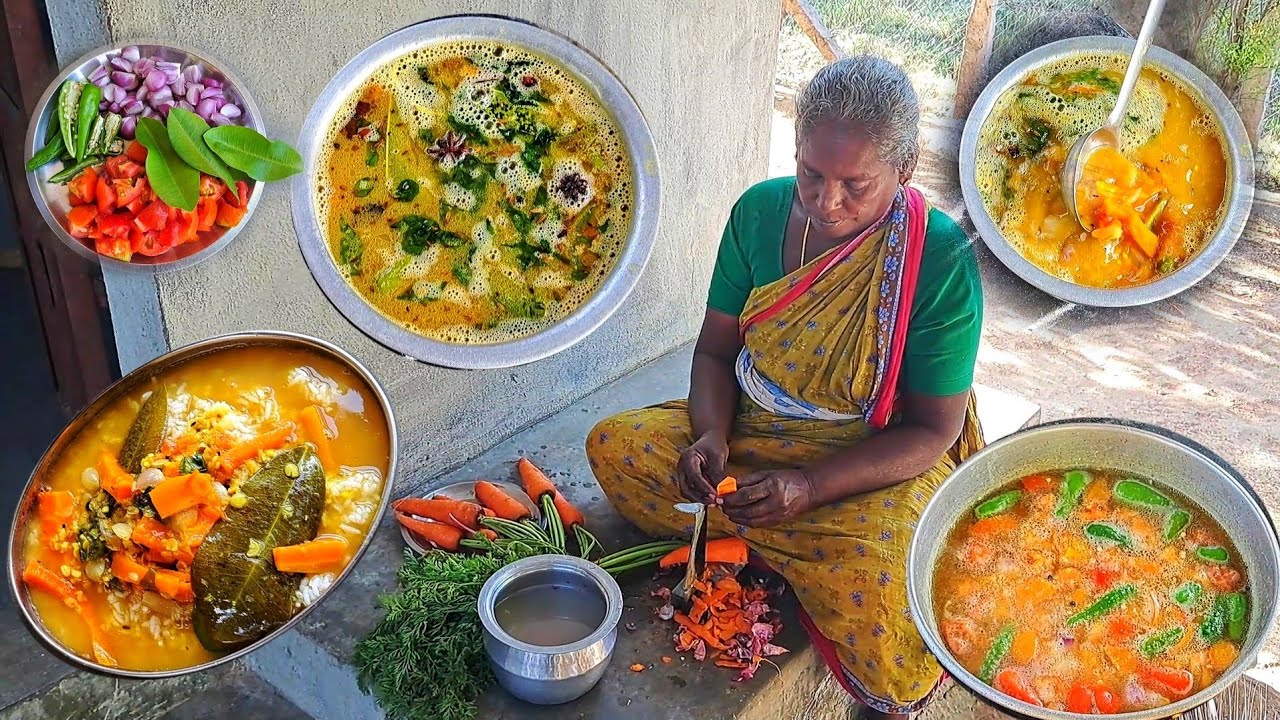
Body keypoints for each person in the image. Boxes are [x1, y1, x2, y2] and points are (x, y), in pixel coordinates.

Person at [586, 55, 984, 719]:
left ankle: (773, 546)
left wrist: (810, 487)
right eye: (811, 174)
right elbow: (715, 352)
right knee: (615, 446)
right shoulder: (758, 214)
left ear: (906, 168)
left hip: (869, 457)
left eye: (855, 184)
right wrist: (710, 438)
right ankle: (793, 552)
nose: (826, 202)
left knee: (889, 587)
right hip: (753, 429)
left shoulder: (937, 257)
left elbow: (933, 431)